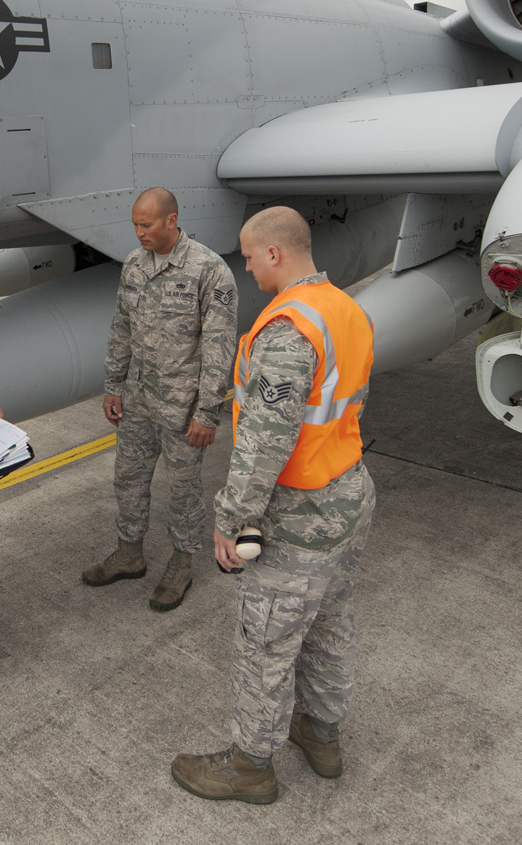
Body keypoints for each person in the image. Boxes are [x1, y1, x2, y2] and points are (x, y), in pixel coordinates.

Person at [172, 206, 376, 804]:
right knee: (330, 620)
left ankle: (250, 764)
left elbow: (266, 439)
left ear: (276, 254)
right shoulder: (345, 308)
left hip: (301, 509)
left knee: (267, 639)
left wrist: (232, 519)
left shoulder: (289, 330)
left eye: (249, 254)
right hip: (349, 492)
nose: (247, 265)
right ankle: (321, 733)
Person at [83, 187, 238, 611]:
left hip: (183, 408)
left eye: (146, 224)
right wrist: (113, 385)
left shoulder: (209, 270)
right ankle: (130, 553)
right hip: (137, 401)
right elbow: (122, 328)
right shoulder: (134, 264)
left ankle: (183, 563)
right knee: (128, 479)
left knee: (183, 491)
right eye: (134, 224)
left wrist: (208, 412)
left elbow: (221, 347)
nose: (138, 233)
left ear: (171, 220)